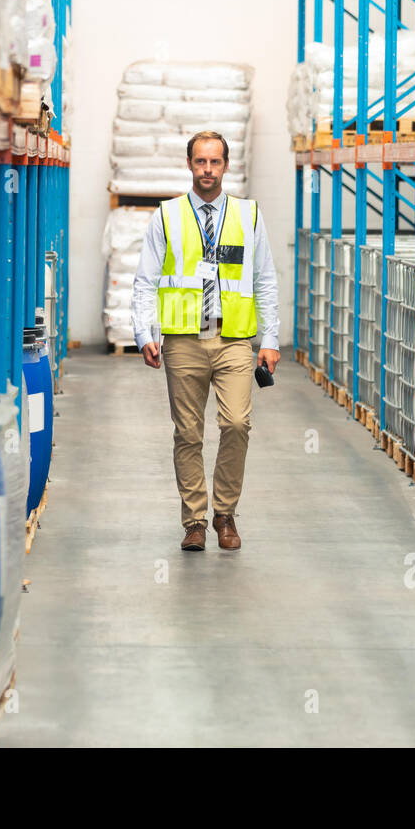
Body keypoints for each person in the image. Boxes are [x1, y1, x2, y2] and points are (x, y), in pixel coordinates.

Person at [131, 130, 280, 552]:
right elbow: (146, 280)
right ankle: (194, 520)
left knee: (236, 424)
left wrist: (269, 338)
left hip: (233, 338)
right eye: (201, 162)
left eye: (215, 162)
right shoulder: (167, 215)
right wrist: (145, 333)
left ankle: (225, 513)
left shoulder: (248, 215)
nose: (208, 170)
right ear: (189, 164)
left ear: (226, 166)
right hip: (183, 339)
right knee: (187, 433)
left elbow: (265, 279)